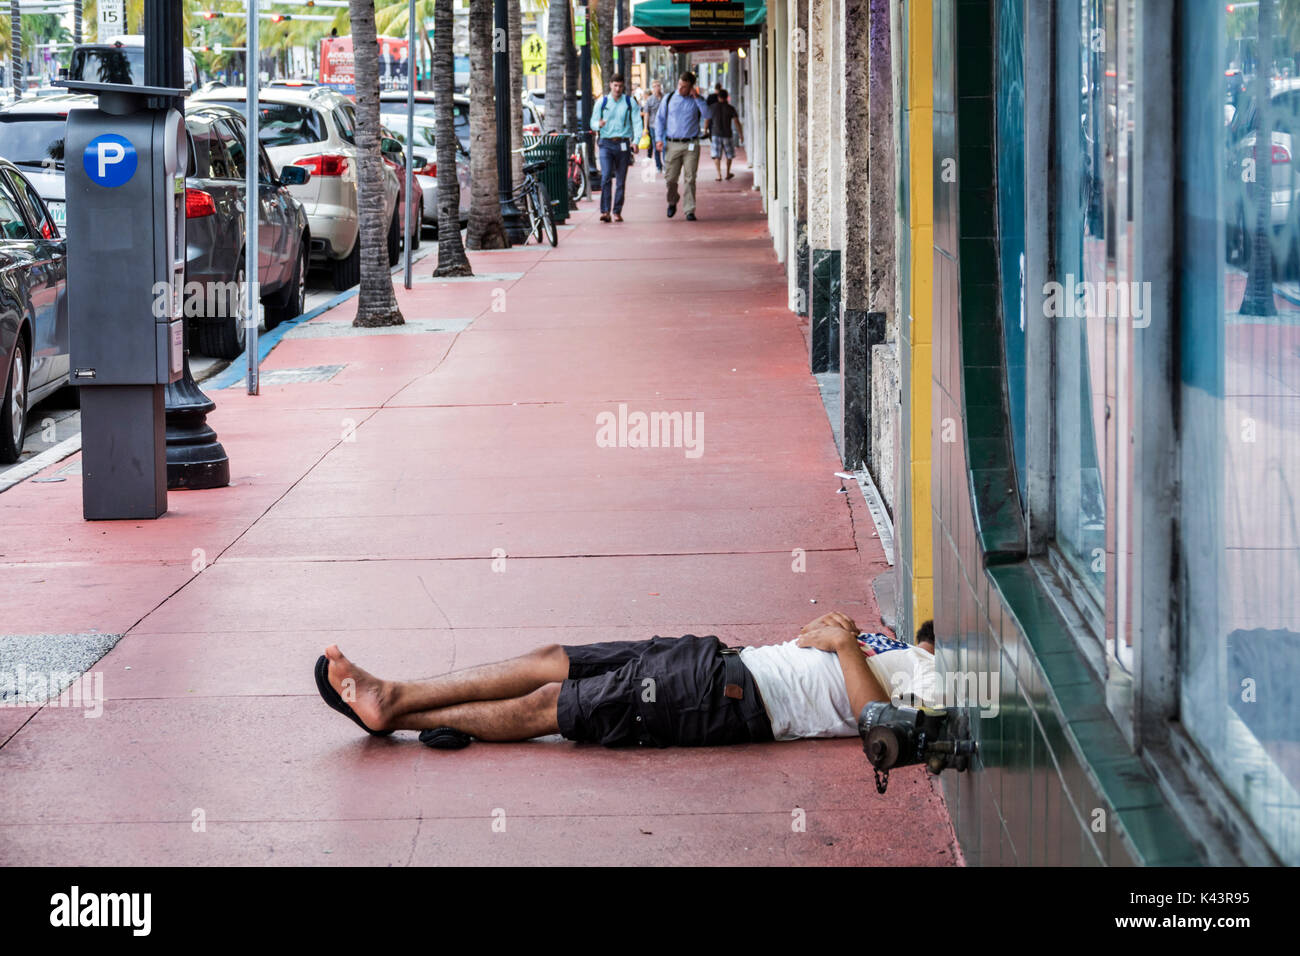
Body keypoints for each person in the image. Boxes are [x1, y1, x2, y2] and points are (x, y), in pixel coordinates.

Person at [315, 612, 939, 748]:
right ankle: (396, 693)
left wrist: (841, 644)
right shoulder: (909, 648)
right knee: (551, 658)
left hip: (731, 700)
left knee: (552, 705)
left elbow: (878, 723)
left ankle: (393, 709)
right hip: (716, 660)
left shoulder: (936, 680)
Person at [653, 71, 709, 221]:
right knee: (670, 179)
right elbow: (659, 119)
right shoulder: (669, 98)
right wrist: (658, 139)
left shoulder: (696, 100)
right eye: (679, 85)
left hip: (691, 143)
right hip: (672, 144)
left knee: (690, 178)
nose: (680, 89)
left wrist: (696, 97)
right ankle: (672, 200)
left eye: (684, 87)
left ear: (691, 87)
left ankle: (689, 209)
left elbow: (708, 115)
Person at [589, 73, 642, 223]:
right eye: (615, 85)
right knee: (606, 176)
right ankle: (605, 211)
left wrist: (636, 141)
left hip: (623, 143)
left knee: (620, 179)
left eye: (620, 85)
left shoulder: (629, 102)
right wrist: (597, 125)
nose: (617, 88)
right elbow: (592, 121)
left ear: (623, 85)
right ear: (611, 85)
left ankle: (617, 211)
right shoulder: (602, 102)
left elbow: (637, 122)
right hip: (606, 143)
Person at [705, 89, 743, 181]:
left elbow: (707, 120)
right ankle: (727, 173)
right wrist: (741, 134)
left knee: (716, 155)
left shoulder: (712, 107)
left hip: (715, 134)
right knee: (729, 155)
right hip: (727, 134)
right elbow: (736, 122)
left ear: (718, 97)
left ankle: (719, 175)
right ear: (726, 97)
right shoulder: (730, 108)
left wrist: (705, 130)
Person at [641, 79, 665, 171]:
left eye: (658, 86)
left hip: (664, 126)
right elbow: (646, 114)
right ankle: (659, 166)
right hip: (653, 126)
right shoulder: (650, 100)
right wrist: (645, 128)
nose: (657, 88)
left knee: (665, 145)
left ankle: (666, 164)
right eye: (654, 86)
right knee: (656, 146)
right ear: (652, 88)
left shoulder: (665, 98)